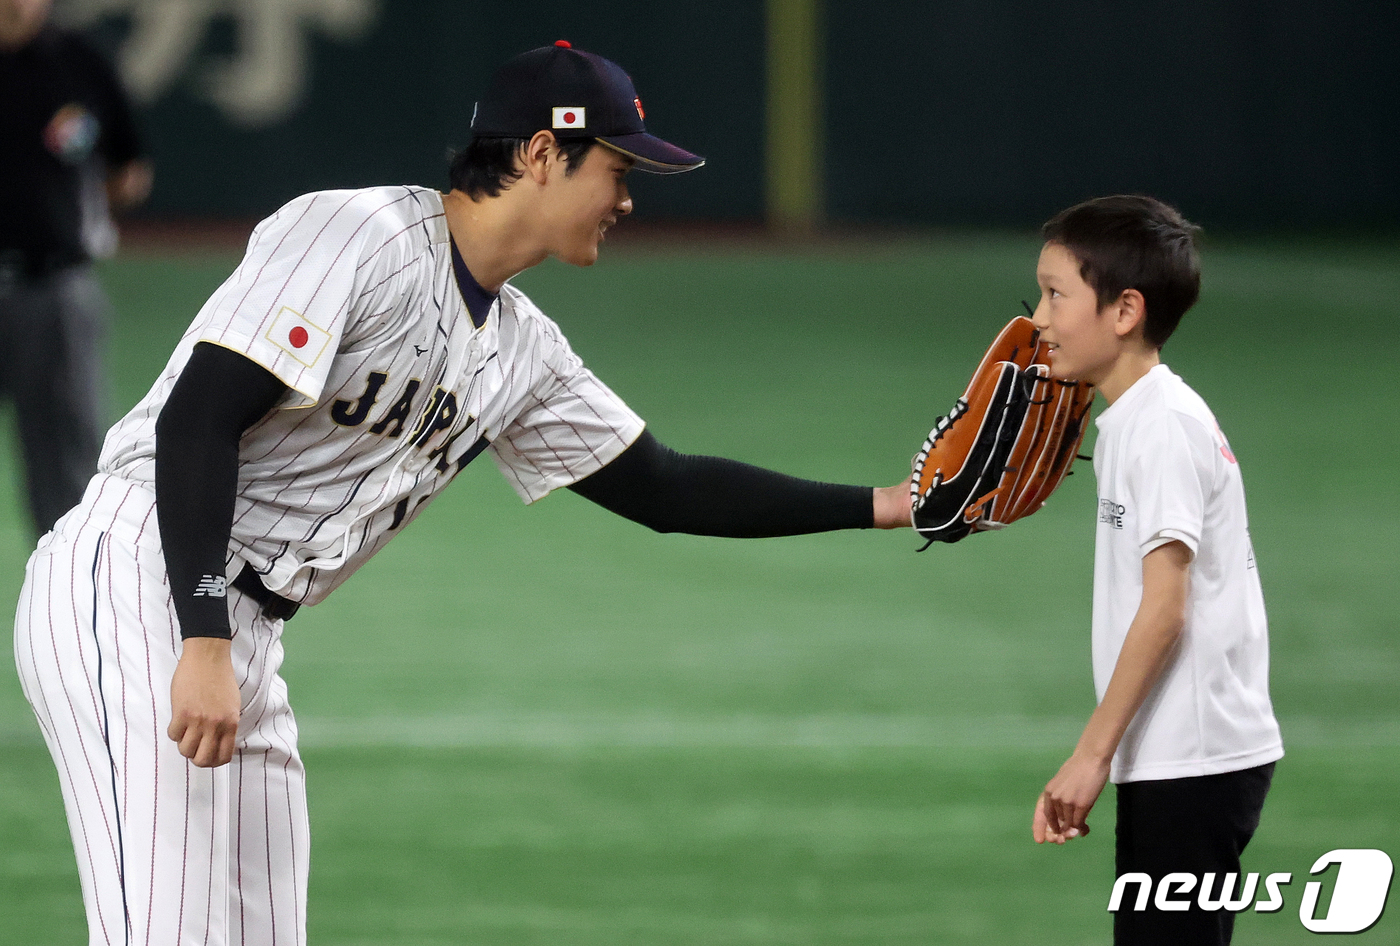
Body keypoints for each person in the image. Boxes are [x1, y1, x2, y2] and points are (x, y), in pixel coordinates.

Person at [13, 41, 911, 944]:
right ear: (542, 153)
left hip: (239, 630)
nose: (628, 200)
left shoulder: (523, 350)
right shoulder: (357, 234)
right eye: (618, 169)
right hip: (139, 585)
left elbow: (668, 488)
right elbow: (198, 419)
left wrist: (893, 503)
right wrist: (203, 637)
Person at [1026, 195, 1284, 945]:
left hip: (1195, 757)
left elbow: (1166, 608)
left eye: (1055, 295)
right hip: (1175, 755)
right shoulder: (1133, 419)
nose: (1039, 320)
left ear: (1125, 310)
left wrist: (1090, 755)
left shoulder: (1162, 427)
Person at [0, 0, 152, 537]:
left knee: (69, 468)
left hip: (53, 289)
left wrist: (66, 214)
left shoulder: (79, 63)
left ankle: (71, 583)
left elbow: (129, 172)